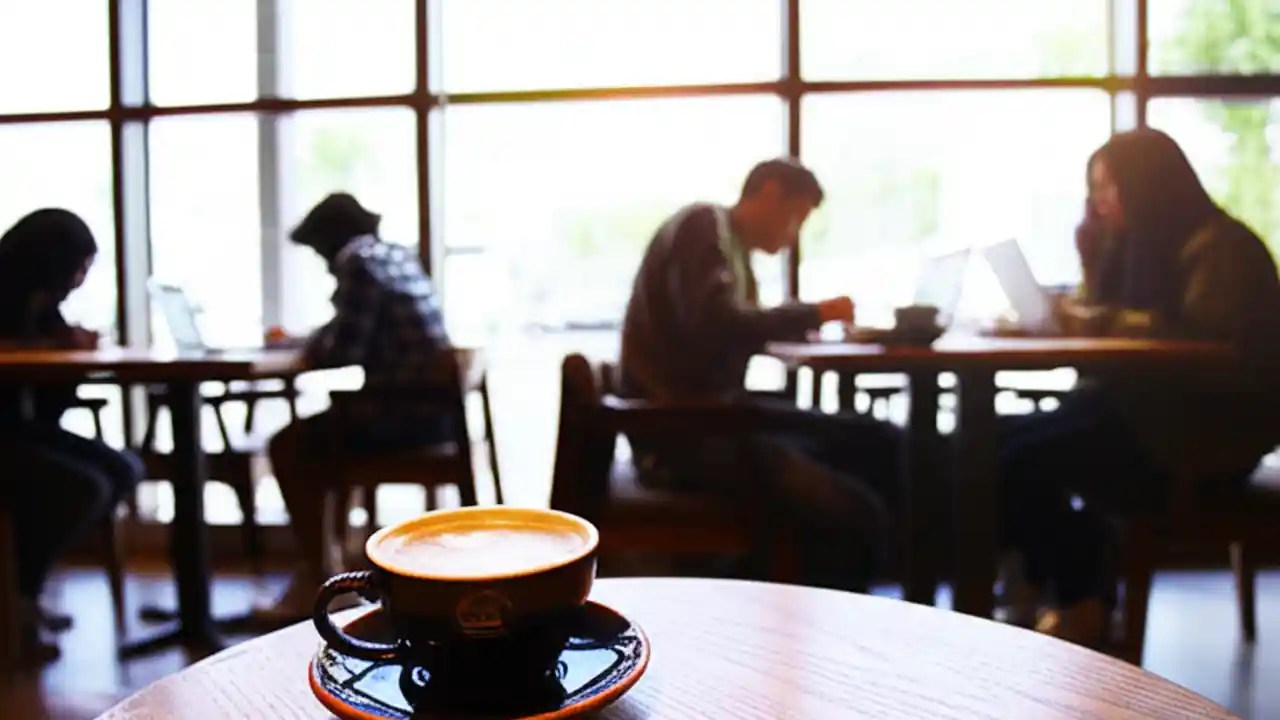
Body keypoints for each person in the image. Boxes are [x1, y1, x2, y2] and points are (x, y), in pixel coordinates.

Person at [1001, 129, 1280, 644]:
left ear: (1148, 183)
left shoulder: (1221, 248)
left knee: (1016, 458)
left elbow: (1199, 346)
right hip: (1140, 414)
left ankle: (1079, 590)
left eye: (1111, 186)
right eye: (1096, 190)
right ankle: (1076, 582)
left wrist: (1098, 320)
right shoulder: (1145, 244)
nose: (1103, 203)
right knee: (995, 443)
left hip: (1197, 439)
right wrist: (1091, 263)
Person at [619, 158, 900, 590]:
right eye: (796, 218)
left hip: (708, 421)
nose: (792, 237)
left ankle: (786, 587)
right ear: (769, 192)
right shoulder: (702, 223)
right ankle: (784, 603)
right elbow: (717, 323)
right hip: (685, 436)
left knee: (871, 437)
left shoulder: (728, 247)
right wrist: (815, 312)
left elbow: (724, 327)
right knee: (860, 510)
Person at [264, 193, 453, 617]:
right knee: (317, 436)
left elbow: (342, 349)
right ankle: (330, 564)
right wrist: (309, 340)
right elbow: (350, 334)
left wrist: (306, 347)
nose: (323, 262)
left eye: (317, 251)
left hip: (403, 417)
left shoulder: (357, 262)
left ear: (329, 240)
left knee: (290, 446)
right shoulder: (395, 256)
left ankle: (319, 574)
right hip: (435, 415)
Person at [0, 209, 143, 659]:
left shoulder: (40, 306)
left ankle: (23, 594)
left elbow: (48, 403)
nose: (80, 278)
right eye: (79, 266)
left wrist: (70, 350)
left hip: (20, 431)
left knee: (122, 468)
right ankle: (17, 600)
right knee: (79, 486)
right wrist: (49, 349)